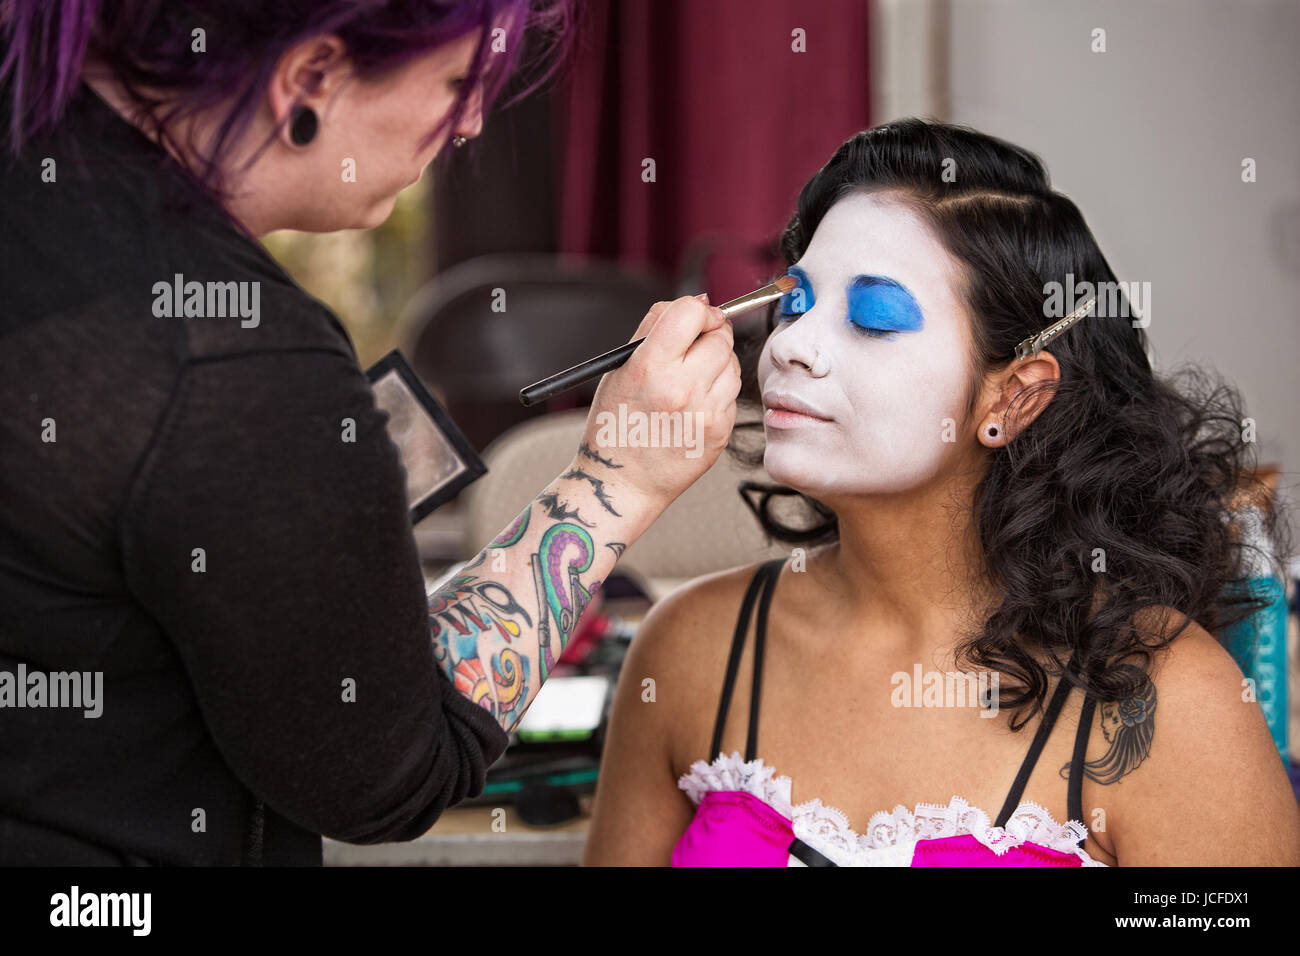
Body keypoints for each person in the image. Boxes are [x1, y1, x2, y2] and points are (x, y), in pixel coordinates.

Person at [0, 0, 741, 865]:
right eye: (458, 81)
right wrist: (619, 480)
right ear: (310, 76)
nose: (468, 124)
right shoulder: (223, 364)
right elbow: (383, 776)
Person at [584, 119, 1300, 866]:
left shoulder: (1173, 702)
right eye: (795, 301)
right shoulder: (689, 647)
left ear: (1012, 401)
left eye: (872, 317)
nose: (791, 344)